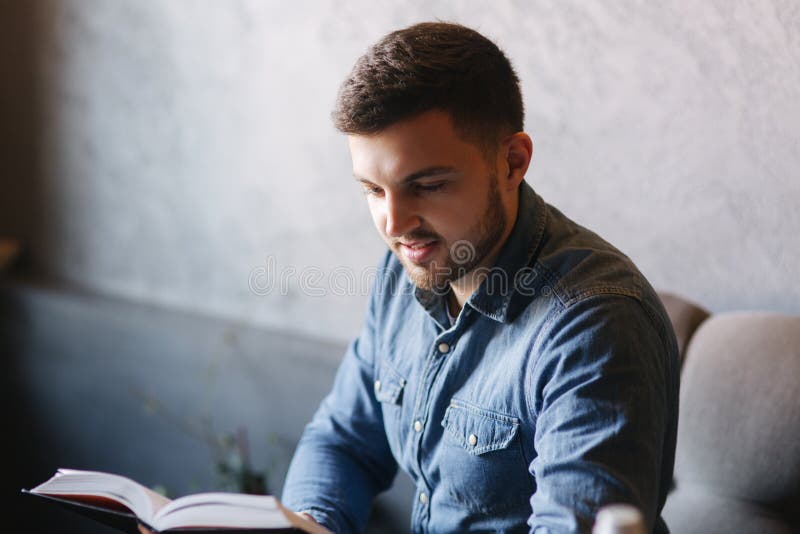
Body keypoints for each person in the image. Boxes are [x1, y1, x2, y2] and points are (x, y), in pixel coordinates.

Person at [138, 20, 679, 534]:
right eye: (373, 190)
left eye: (427, 184)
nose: (394, 226)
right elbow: (342, 441)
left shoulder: (594, 325)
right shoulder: (408, 273)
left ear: (513, 161)